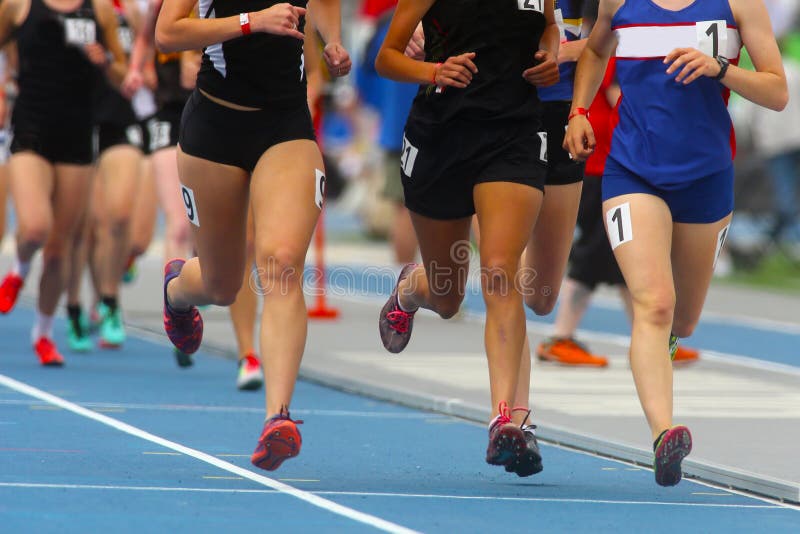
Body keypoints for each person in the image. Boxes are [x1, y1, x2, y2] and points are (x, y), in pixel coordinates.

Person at [564, 0, 787, 486]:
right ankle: (664, 434)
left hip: (707, 179)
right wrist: (578, 110)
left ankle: (659, 353)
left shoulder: (739, 5)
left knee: (681, 320)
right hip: (631, 171)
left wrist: (721, 68)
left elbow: (777, 92)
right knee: (655, 304)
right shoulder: (618, 3)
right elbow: (595, 51)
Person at [155, 0, 351, 470]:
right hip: (214, 127)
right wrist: (253, 22)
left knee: (282, 263)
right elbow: (168, 33)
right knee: (223, 285)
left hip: (285, 125)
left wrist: (334, 40)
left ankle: (277, 417)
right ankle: (178, 291)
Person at [376, 0, 559, 477]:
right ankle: (412, 288)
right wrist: (434, 69)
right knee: (448, 296)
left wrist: (550, 57)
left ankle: (504, 418)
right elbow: (387, 57)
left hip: (513, 136)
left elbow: (549, 31)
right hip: (441, 138)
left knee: (501, 271)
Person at [0, 0, 127, 366]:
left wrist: (104, 61)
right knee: (36, 227)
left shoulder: (99, 9)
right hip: (30, 128)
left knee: (58, 250)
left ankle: (42, 333)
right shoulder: (19, 6)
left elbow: (120, 74)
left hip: (76, 133)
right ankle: (18, 270)